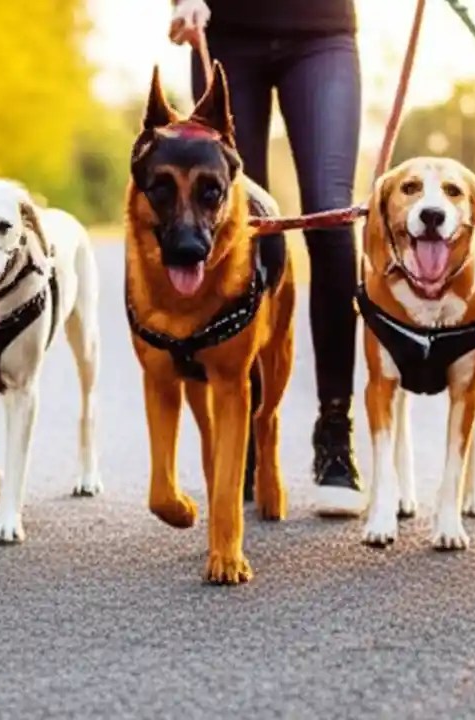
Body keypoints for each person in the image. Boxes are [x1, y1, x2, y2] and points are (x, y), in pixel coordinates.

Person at [168, 0, 364, 516]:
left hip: (322, 33)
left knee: (330, 216)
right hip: (226, 32)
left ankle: (335, 432)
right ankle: (248, 432)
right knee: (237, 218)